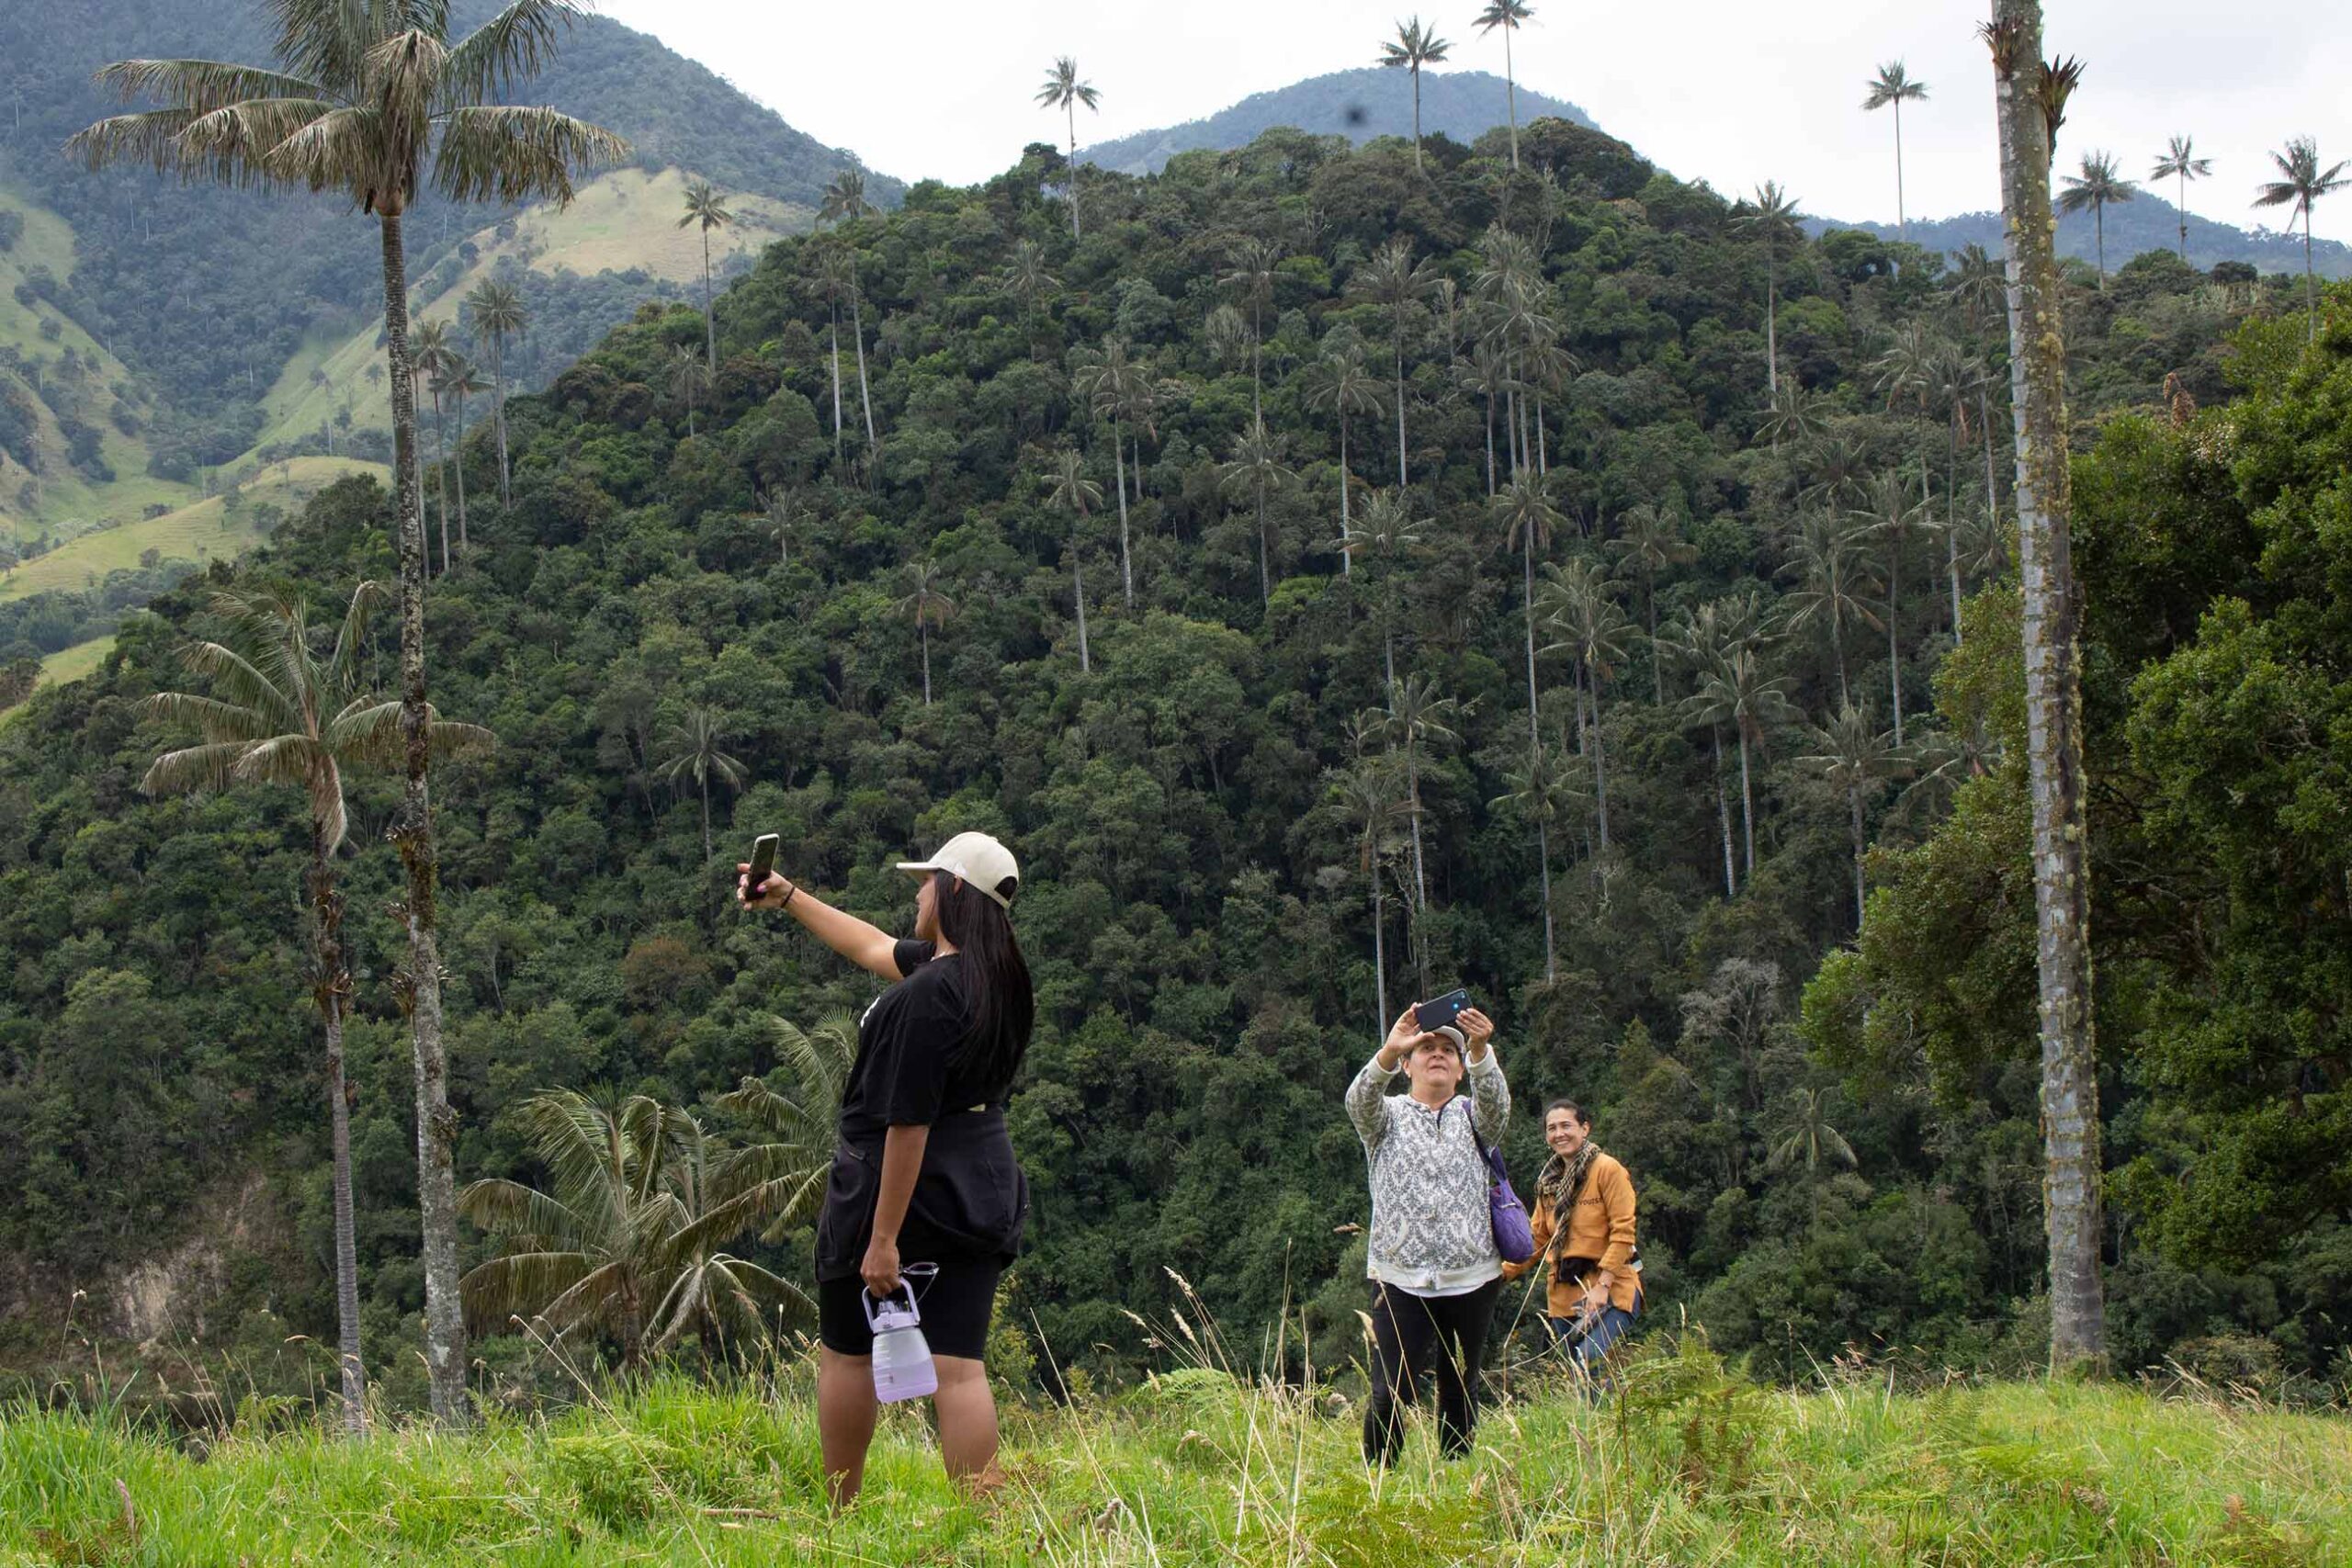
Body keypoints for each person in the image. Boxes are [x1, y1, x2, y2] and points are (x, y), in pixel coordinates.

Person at [739, 830, 1032, 1506]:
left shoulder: (926, 997)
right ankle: (985, 1522)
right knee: (960, 1367)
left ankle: (842, 1515)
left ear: (954, 890)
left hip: (894, 1187)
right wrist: (788, 897)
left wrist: (883, 1238)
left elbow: (908, 1124)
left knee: (845, 1352)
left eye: (927, 879)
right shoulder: (997, 982)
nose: (918, 889)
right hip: (978, 1183)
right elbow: (871, 946)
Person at [1344, 1002, 1509, 1465]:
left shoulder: (1476, 1117)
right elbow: (1358, 1101)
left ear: (1459, 1071)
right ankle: (1380, 1479)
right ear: (1407, 1065)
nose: (1437, 1054)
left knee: (1460, 1383)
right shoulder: (1386, 1118)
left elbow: (1499, 1104)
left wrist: (1480, 1050)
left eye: (1448, 1051)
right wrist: (1387, 1051)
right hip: (1399, 1279)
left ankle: (1457, 1478)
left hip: (1472, 1277)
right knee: (1389, 1390)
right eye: (1426, 1048)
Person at [1499, 1099, 1640, 1375]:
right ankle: (1598, 1418)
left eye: (1566, 1125)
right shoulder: (1549, 1183)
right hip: (1564, 1292)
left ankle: (1603, 1419)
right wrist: (1500, 1274)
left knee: (1589, 1362)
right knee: (1576, 1372)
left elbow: (1623, 1231)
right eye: (1552, 1128)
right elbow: (1538, 1239)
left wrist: (1603, 1285)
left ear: (1584, 1128)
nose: (1559, 1133)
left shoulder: (1607, 1170)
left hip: (1610, 1287)